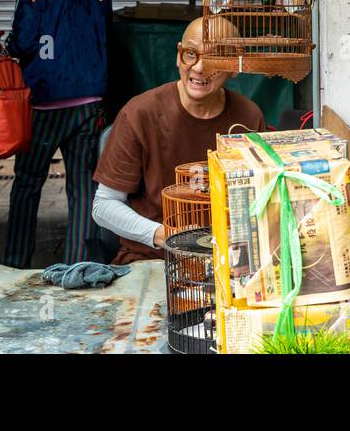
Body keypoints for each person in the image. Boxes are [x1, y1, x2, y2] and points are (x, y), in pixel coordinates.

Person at [92, 16, 265, 264]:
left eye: (215, 58)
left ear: (235, 65)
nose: (199, 68)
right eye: (190, 54)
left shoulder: (248, 116)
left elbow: (259, 199)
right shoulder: (139, 113)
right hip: (152, 258)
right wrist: (164, 236)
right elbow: (104, 206)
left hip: (227, 260)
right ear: (178, 56)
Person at [2, 0, 112, 268]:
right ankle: (78, 263)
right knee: (82, 188)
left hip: (44, 100)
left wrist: (9, 46)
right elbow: (106, 32)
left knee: (28, 182)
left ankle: (16, 263)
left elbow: (22, 40)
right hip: (89, 100)